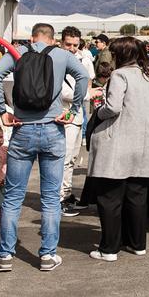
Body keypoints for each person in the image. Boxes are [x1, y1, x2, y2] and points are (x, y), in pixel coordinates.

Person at [0, 23, 90, 273]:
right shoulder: (62, 55)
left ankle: (5, 256)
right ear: (53, 39)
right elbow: (83, 76)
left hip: (23, 129)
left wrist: (2, 110)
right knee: (50, 198)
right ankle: (47, 255)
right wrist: (74, 110)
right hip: (53, 130)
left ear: (33, 37)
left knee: (13, 197)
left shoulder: (18, 53)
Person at [85, 36, 149, 261]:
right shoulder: (147, 77)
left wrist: (98, 113)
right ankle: (137, 243)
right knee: (137, 197)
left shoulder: (119, 75)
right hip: (144, 144)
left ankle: (109, 248)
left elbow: (113, 107)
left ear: (120, 55)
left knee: (110, 198)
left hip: (118, 144)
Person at [57, 27, 93, 215]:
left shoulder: (83, 59)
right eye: (68, 44)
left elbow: (86, 81)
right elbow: (63, 91)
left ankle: (68, 192)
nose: (72, 48)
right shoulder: (55, 60)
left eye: (75, 45)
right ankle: (59, 198)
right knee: (64, 158)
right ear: (61, 42)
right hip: (64, 115)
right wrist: (88, 94)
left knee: (72, 158)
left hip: (78, 115)